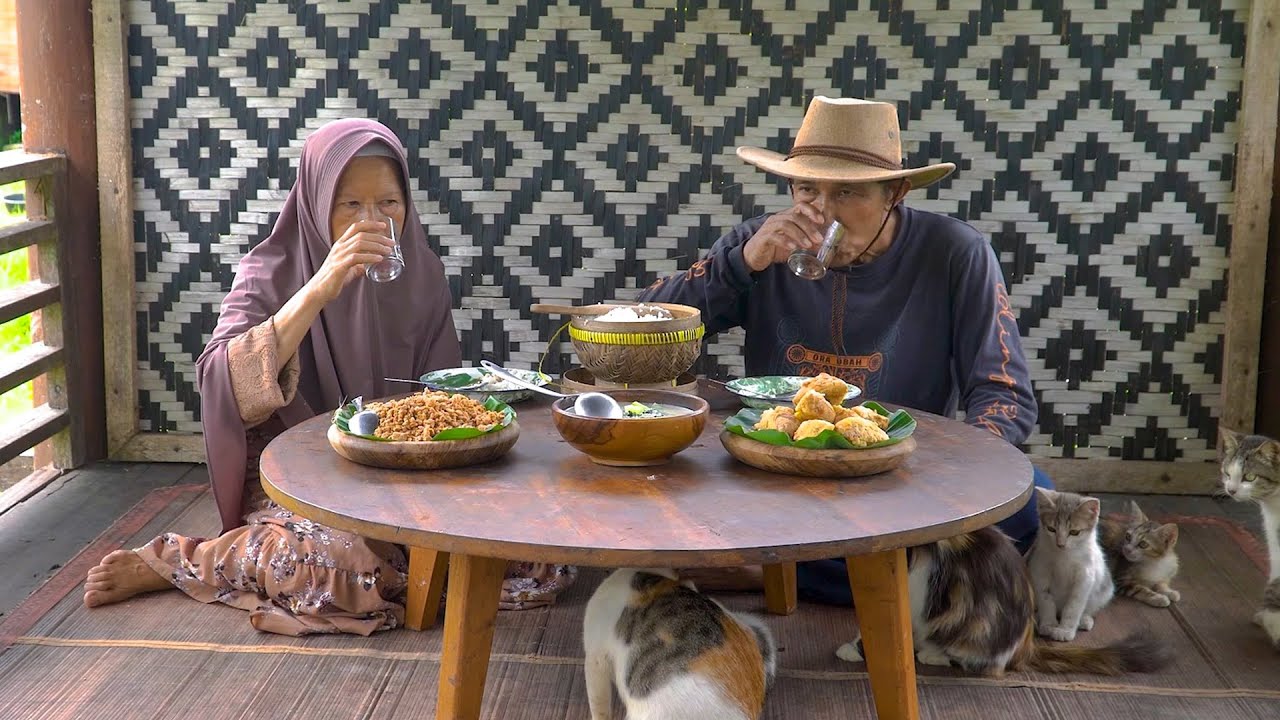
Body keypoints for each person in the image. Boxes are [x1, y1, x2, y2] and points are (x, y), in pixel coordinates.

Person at [83, 119, 576, 634]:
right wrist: (320, 287)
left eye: (388, 203)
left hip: (402, 469)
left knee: (539, 562)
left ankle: (401, 575)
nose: (374, 221)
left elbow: (439, 391)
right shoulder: (271, 271)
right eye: (350, 206)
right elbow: (218, 380)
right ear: (318, 205)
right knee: (339, 567)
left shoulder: (422, 273)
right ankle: (188, 559)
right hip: (301, 477)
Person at [638, 96, 1054, 605]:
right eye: (808, 188)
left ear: (895, 193)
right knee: (667, 476)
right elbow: (643, 328)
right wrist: (740, 264)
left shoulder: (955, 253)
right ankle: (868, 574)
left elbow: (1004, 392)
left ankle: (766, 570)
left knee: (1024, 502)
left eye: (849, 193)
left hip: (896, 479)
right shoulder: (761, 242)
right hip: (776, 468)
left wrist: (949, 476)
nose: (823, 213)